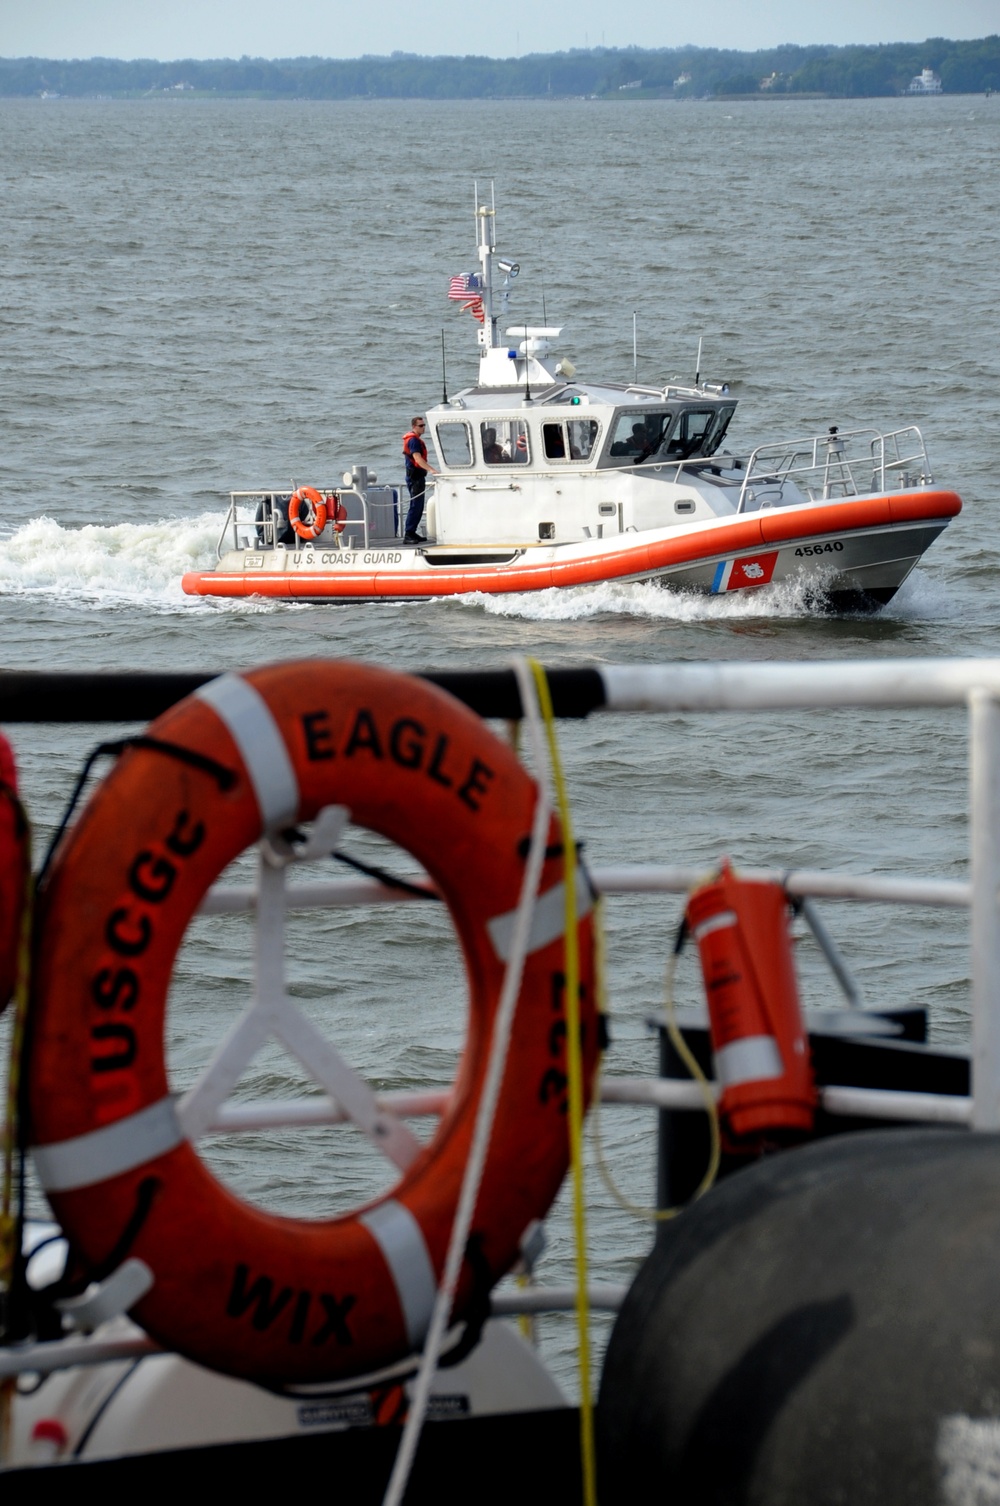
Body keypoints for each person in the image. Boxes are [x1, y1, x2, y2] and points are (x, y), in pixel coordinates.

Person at [402, 416, 436, 543]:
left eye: (424, 425)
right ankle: (408, 534)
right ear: (414, 427)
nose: (423, 428)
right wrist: (431, 469)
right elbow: (417, 458)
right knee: (415, 505)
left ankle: (412, 532)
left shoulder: (416, 440)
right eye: (420, 426)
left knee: (419, 506)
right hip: (415, 477)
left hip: (418, 476)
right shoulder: (413, 441)